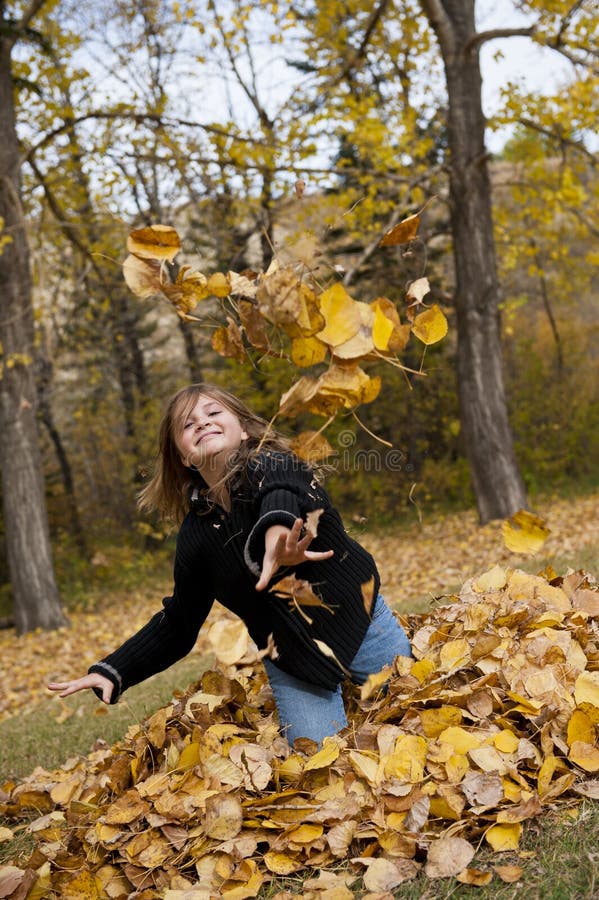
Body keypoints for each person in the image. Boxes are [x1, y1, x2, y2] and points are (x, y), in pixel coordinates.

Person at [48, 383, 411, 745]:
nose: (202, 424)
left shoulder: (278, 464)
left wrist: (277, 537)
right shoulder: (196, 536)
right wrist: (115, 670)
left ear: (246, 429)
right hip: (293, 659)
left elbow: (280, 494)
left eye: (213, 413)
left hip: (359, 620)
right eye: (188, 425)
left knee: (411, 710)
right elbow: (179, 622)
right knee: (317, 761)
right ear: (182, 457)